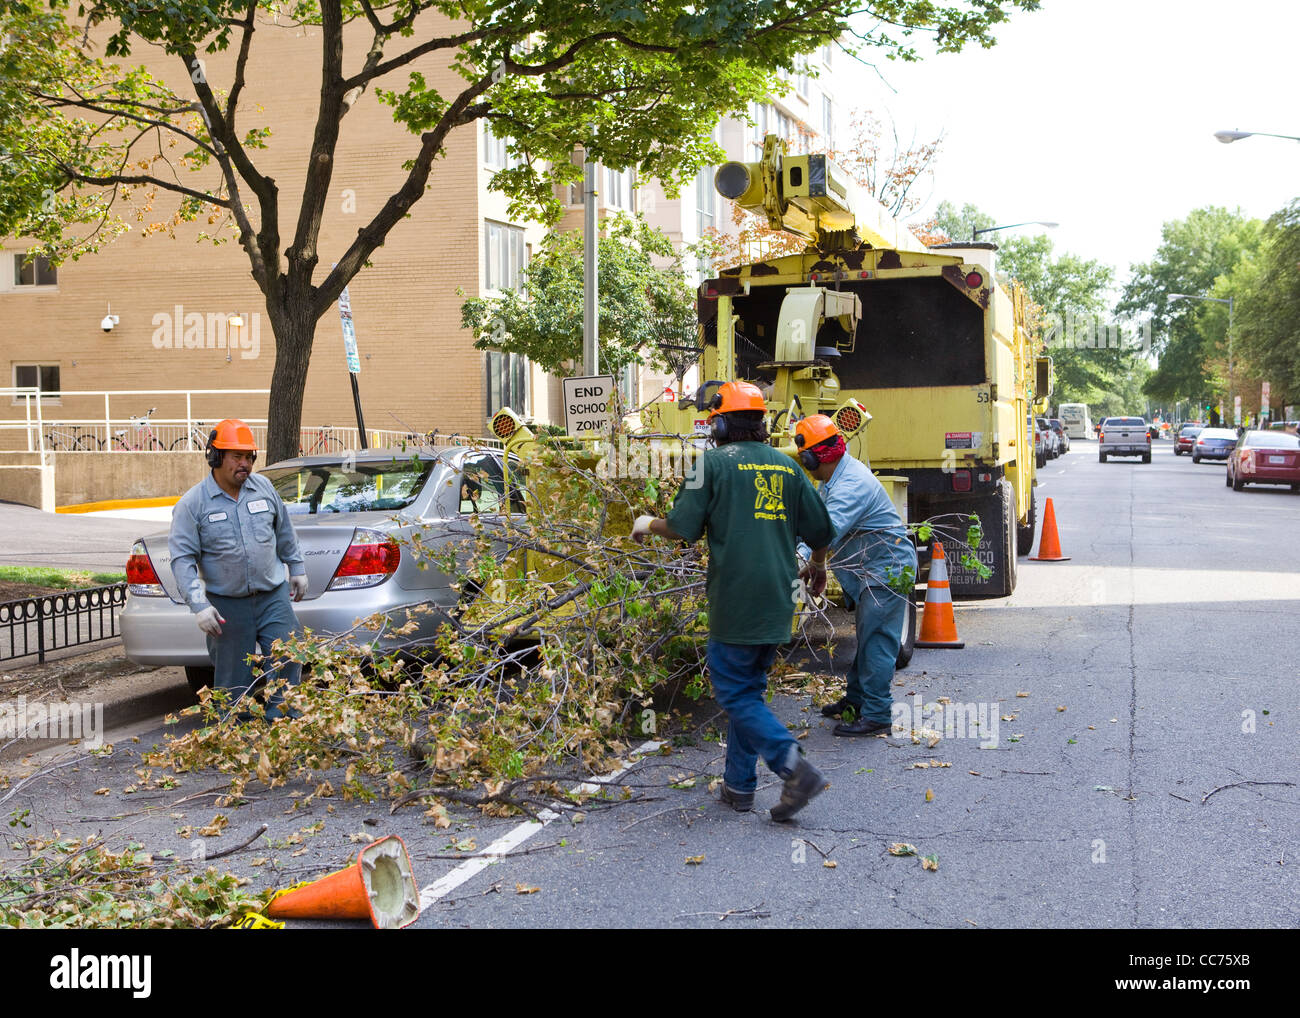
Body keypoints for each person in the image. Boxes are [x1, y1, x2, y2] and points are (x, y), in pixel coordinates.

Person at [632, 381, 834, 822]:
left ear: (721, 423)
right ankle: (739, 786)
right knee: (750, 691)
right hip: (780, 599)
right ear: (761, 424)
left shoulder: (712, 464)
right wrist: (817, 567)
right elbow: (821, 531)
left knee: (733, 692)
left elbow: (683, 527)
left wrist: (646, 521)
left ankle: (794, 767)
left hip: (736, 599)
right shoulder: (789, 467)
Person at [169, 418, 308, 719]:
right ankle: (235, 735)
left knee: (289, 656)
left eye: (249, 457)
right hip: (226, 606)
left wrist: (296, 567)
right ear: (216, 457)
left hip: (273, 596)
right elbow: (182, 559)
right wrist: (199, 605)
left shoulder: (264, 488)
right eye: (237, 457)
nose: (244, 464)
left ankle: (283, 721)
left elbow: (284, 530)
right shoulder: (193, 504)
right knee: (233, 682)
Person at [794, 414, 917, 736]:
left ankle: (877, 715)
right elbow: (815, 526)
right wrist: (798, 555)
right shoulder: (833, 479)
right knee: (868, 638)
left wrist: (813, 563)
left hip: (887, 570)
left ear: (809, 458)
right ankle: (856, 701)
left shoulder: (852, 484)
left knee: (876, 642)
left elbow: (826, 532)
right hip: (871, 569)